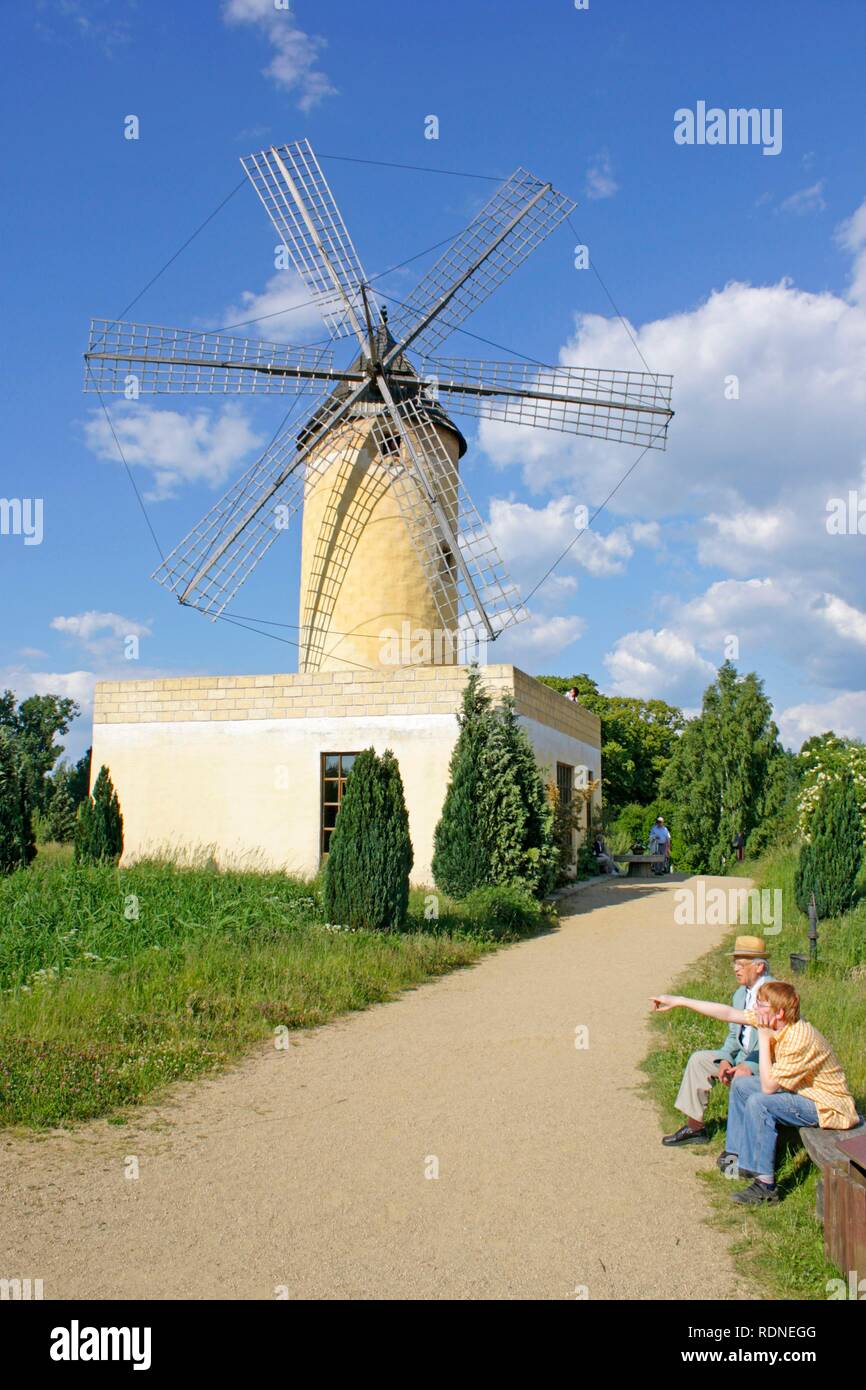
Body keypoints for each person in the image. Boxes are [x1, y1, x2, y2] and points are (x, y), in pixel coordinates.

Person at [651, 980, 859, 1204]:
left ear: (779, 1013)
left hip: (827, 1105)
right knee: (742, 1087)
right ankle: (738, 1158)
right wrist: (679, 1001)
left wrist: (763, 1037)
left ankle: (765, 1186)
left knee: (760, 1102)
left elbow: (769, 1087)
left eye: (761, 1005)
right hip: (803, 1092)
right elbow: (728, 1013)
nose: (756, 1009)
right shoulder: (774, 1023)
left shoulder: (799, 1037)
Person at [656, 936, 773, 1147]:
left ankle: (741, 1147)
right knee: (699, 1060)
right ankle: (695, 1128)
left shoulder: (774, 994)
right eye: (734, 963)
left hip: (768, 1063)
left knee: (742, 1081)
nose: (735, 969)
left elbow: (776, 1045)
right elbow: (733, 1035)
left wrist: (748, 1065)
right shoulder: (740, 994)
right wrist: (726, 1059)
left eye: (741, 964)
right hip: (741, 1056)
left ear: (759, 966)